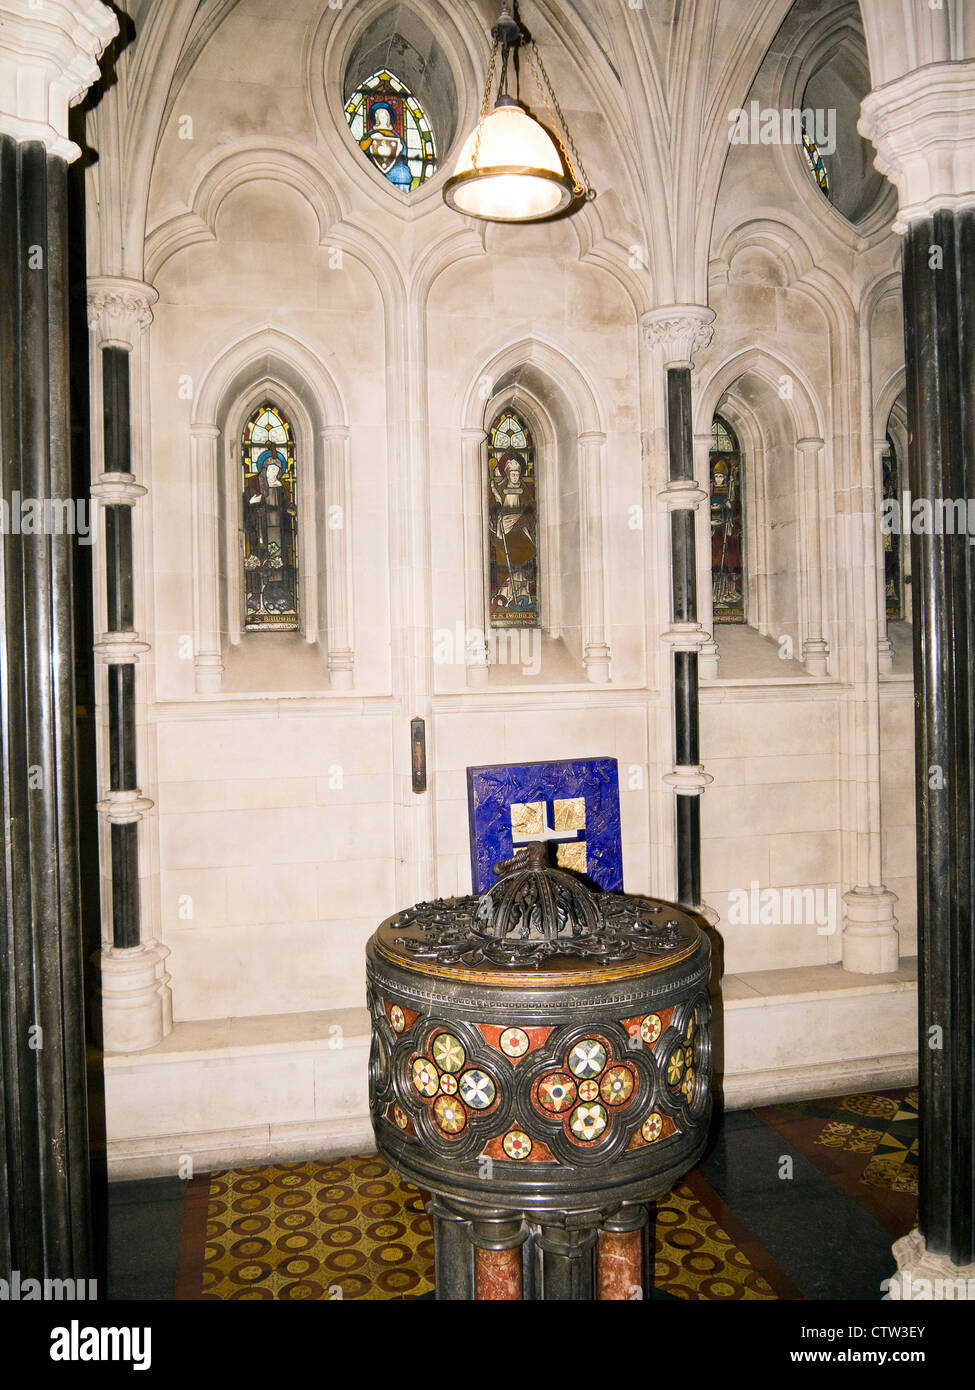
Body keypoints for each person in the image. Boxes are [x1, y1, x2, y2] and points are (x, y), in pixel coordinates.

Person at [360, 101, 413, 191]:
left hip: (394, 167)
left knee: (403, 174)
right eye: (380, 115)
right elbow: (361, 149)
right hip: (372, 166)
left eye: (384, 115)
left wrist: (400, 148)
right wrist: (371, 139)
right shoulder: (371, 134)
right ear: (376, 118)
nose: (382, 117)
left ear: (388, 117)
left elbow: (403, 152)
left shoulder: (394, 135)